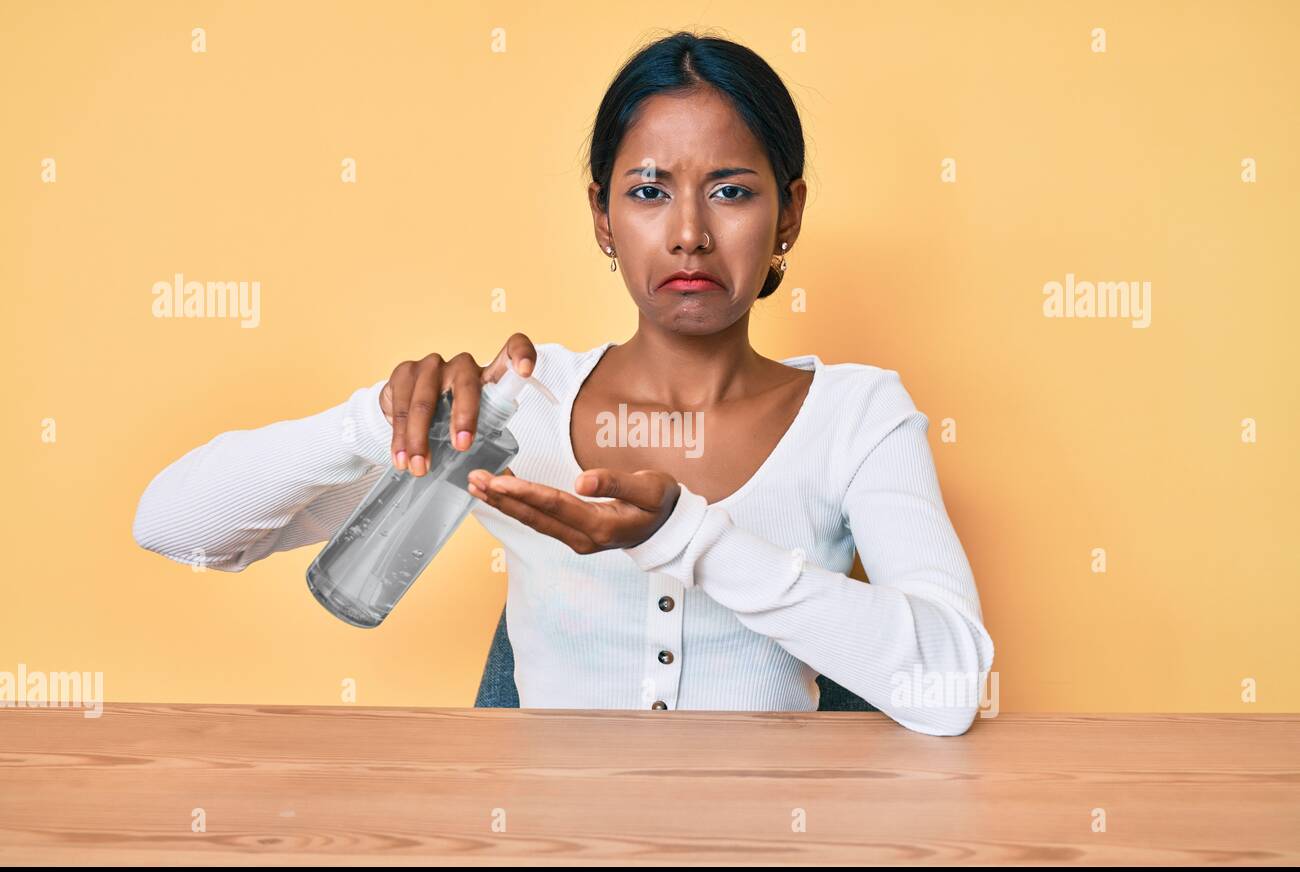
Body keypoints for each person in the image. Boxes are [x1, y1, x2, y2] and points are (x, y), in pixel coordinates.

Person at [133, 31, 993, 735]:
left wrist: (688, 539)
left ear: (789, 214)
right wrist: (370, 423)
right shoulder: (520, 409)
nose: (689, 233)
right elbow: (175, 527)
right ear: (601, 216)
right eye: (648, 191)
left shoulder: (857, 416)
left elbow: (951, 685)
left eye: (730, 191)